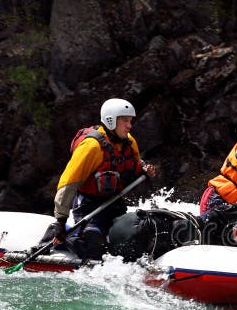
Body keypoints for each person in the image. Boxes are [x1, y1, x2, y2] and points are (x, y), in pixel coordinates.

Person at [41, 98, 157, 259]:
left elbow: (134, 163)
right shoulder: (91, 147)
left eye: (130, 121)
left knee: (134, 235)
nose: (130, 126)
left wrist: (144, 168)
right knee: (95, 246)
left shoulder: (129, 142)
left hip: (114, 204)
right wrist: (61, 221)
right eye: (125, 121)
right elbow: (67, 185)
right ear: (110, 120)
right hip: (88, 206)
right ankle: (66, 237)